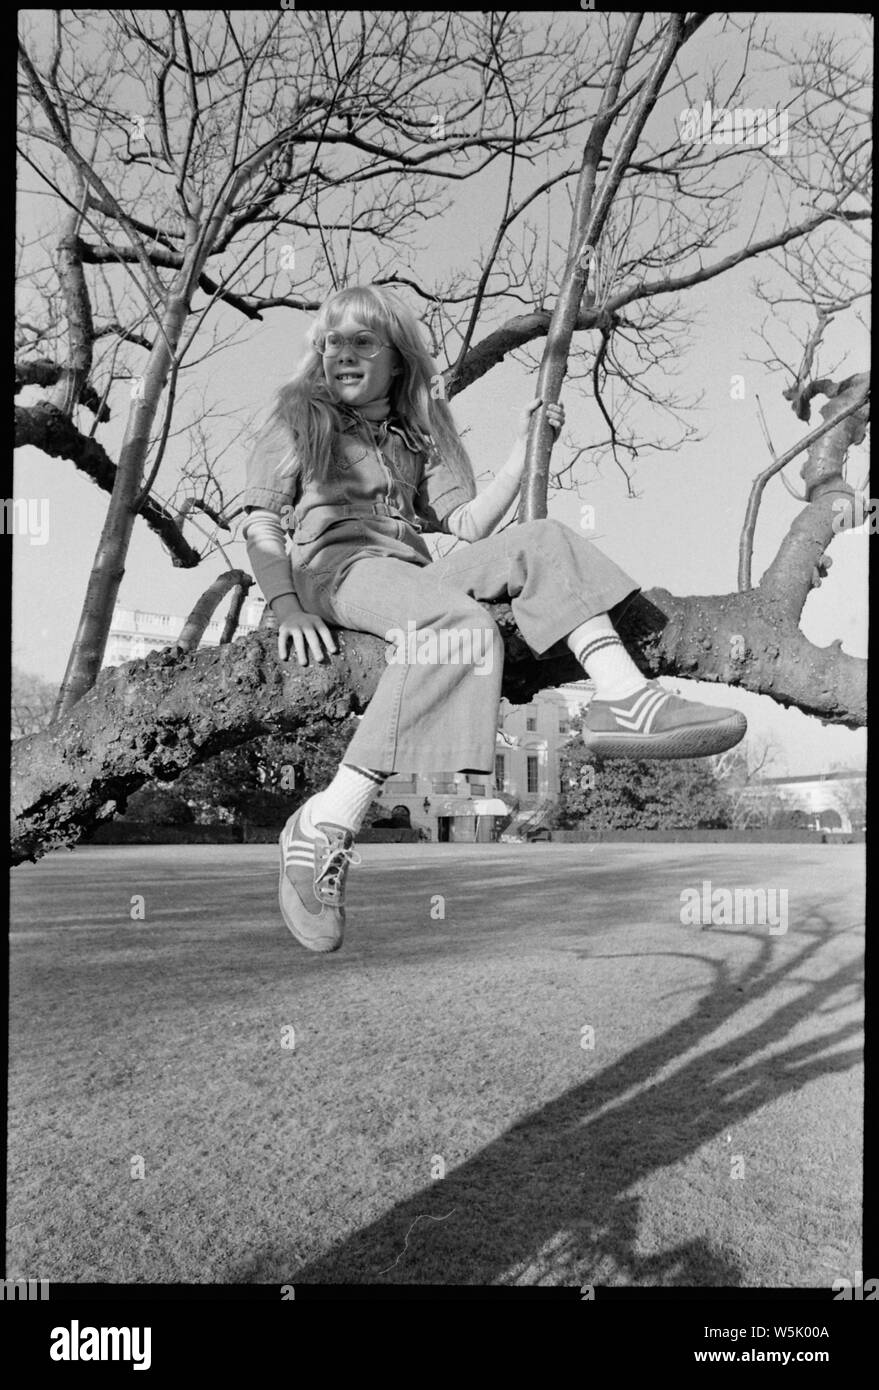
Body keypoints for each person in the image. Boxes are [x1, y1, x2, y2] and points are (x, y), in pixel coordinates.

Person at [241, 284, 746, 953]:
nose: (342, 353)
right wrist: (283, 606)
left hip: (409, 575)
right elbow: (259, 521)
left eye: (362, 340)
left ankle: (624, 699)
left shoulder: (416, 432)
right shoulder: (299, 413)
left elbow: (472, 523)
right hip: (338, 569)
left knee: (544, 540)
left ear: (396, 357)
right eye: (331, 340)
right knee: (461, 627)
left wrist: (523, 443)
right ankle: (326, 822)